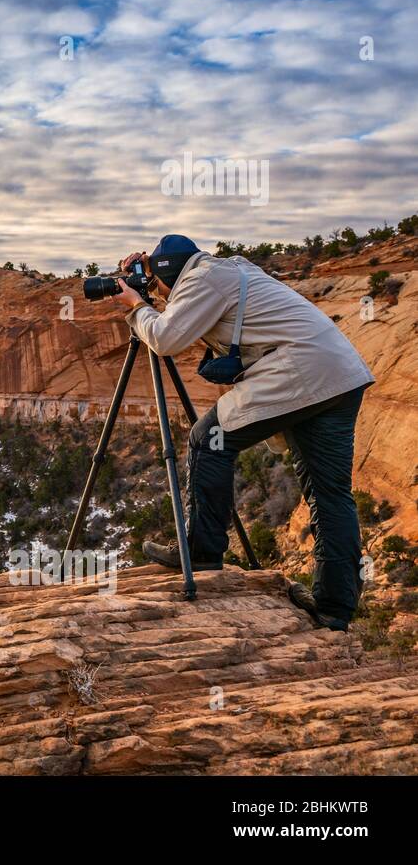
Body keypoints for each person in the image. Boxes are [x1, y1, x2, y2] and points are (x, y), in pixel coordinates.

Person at [111, 234, 374, 630]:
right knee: (330, 495)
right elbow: (180, 306)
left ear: (170, 273)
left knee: (207, 440)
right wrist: (151, 279)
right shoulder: (224, 270)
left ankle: (201, 551)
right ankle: (334, 608)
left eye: (156, 280)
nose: (155, 289)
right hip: (338, 378)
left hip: (300, 374)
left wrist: (135, 307)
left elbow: (164, 338)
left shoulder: (203, 281)